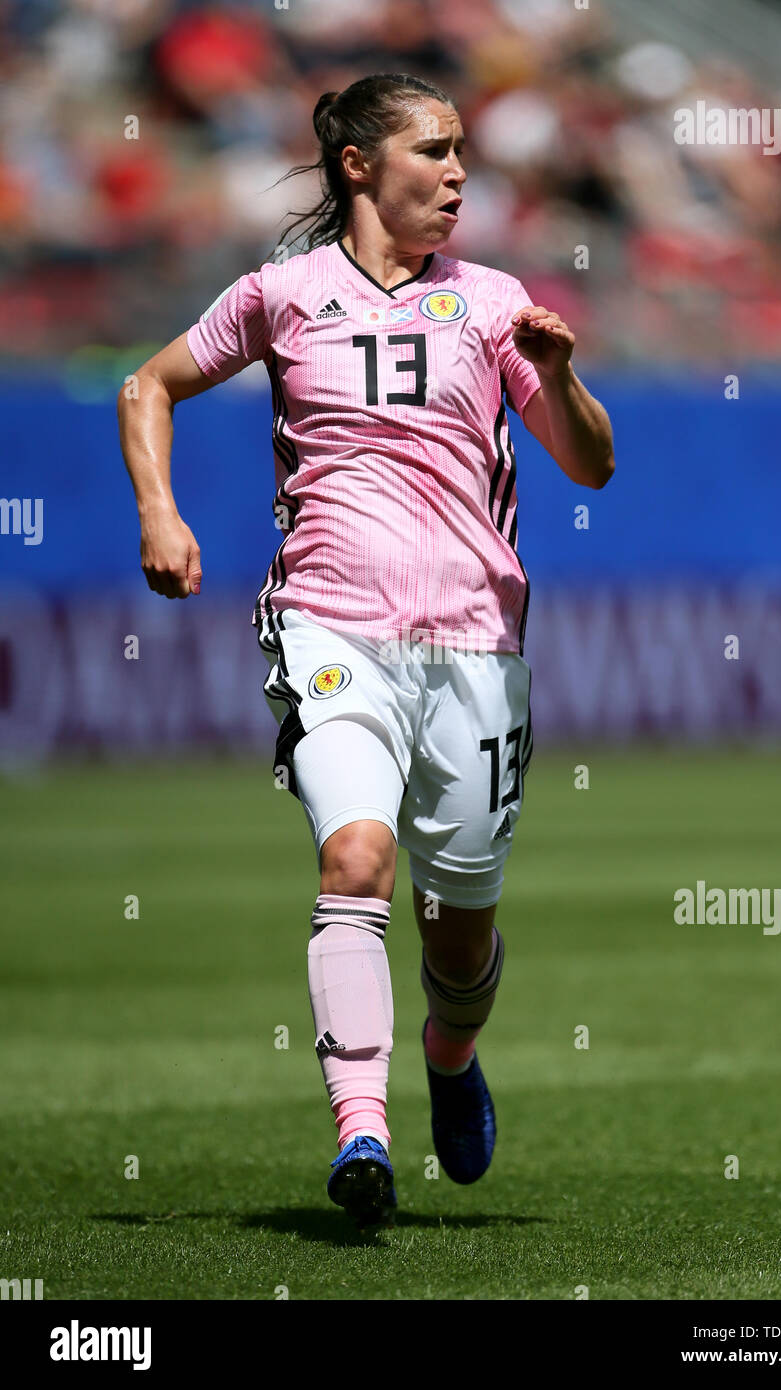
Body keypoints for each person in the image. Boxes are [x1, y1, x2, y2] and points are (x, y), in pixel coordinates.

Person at [118, 72, 614, 1231]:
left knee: (461, 925)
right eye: (434, 151)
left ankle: (448, 1054)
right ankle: (361, 1131)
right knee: (353, 859)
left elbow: (588, 464)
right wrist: (159, 509)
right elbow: (150, 383)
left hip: (475, 645)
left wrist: (564, 372)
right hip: (329, 624)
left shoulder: (491, 303)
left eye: (461, 155)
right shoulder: (279, 295)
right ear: (359, 166)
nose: (456, 174)